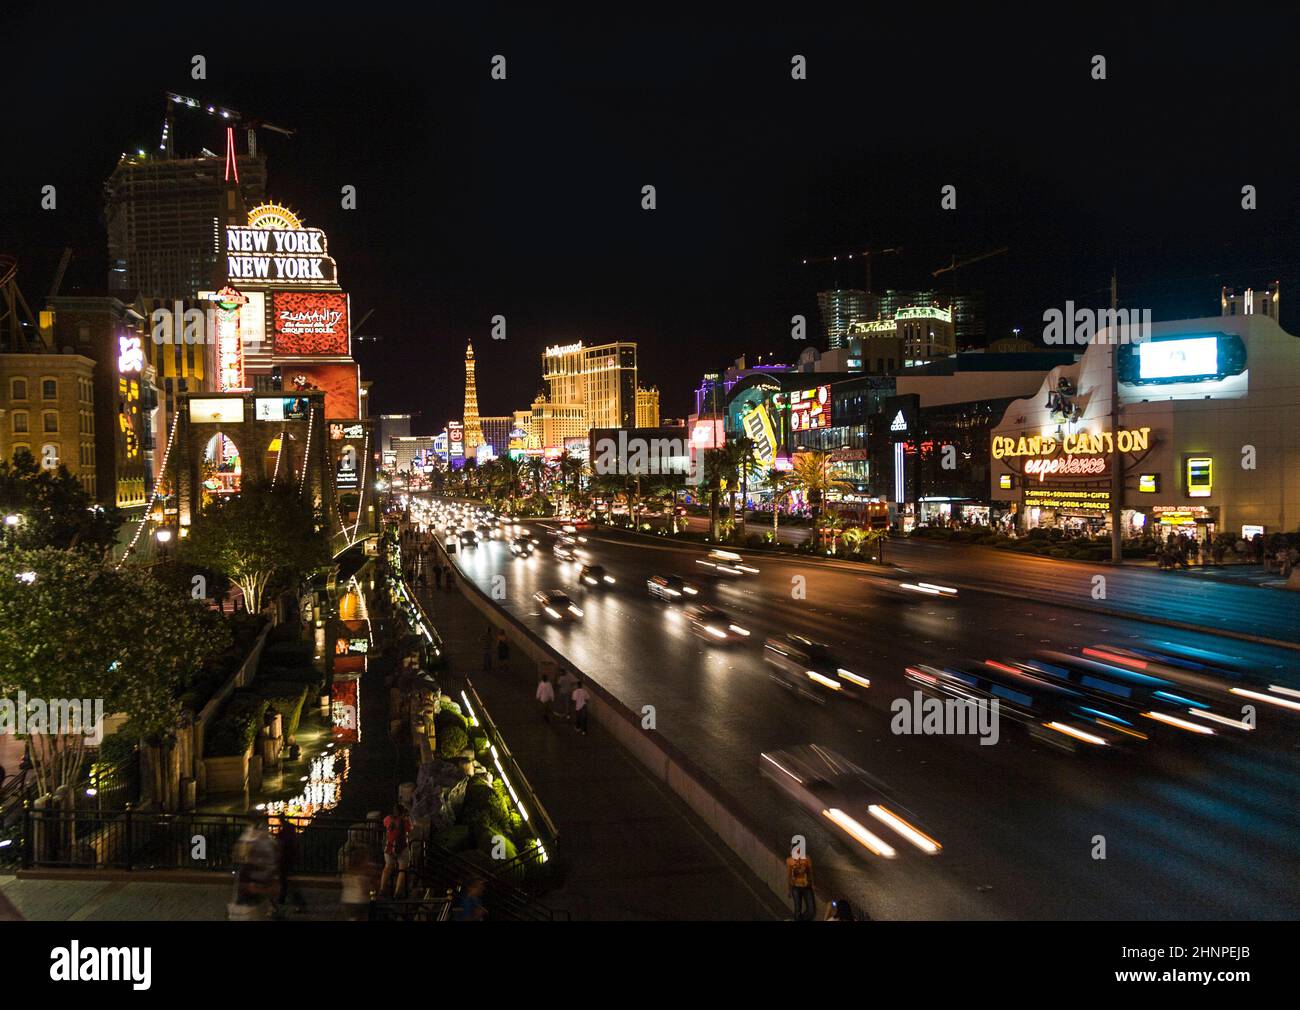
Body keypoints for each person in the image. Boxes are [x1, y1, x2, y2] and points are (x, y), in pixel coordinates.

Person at [274, 817, 307, 916]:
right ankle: (284, 901)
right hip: (288, 860)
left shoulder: (283, 834)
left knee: (285, 883)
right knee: (287, 883)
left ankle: (282, 902)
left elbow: (279, 846)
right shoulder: (290, 832)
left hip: (284, 860)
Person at [380, 803, 413, 899]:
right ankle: (397, 892)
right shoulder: (405, 820)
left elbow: (384, 823)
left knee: (387, 867)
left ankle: (382, 889)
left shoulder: (388, 819)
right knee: (402, 869)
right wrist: (407, 816)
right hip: (402, 847)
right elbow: (410, 829)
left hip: (389, 846)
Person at [787, 851, 815, 921]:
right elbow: (789, 876)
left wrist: (813, 884)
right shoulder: (789, 860)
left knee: (811, 910)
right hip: (796, 887)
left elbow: (810, 872)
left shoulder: (806, 858)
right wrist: (789, 889)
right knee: (797, 909)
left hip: (806, 886)